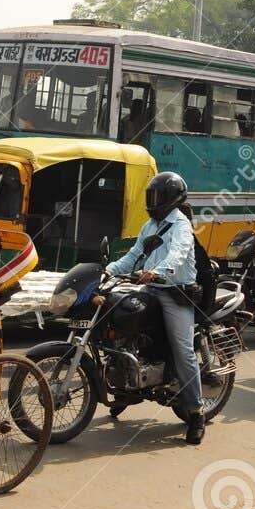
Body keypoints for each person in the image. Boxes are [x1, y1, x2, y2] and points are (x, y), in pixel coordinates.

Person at [106, 171, 207, 445]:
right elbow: (134, 255)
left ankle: (196, 413)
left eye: (159, 196)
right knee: (120, 319)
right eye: (152, 196)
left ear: (173, 199)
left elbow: (179, 253)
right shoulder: (149, 225)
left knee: (183, 349)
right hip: (151, 288)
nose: (154, 201)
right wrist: (108, 270)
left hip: (175, 293)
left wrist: (157, 271)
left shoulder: (181, 225)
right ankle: (129, 382)